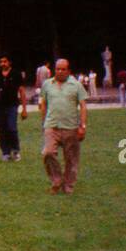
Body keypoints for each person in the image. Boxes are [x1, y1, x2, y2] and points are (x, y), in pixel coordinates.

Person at [39, 59, 88, 194]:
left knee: (71, 159)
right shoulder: (47, 84)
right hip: (51, 126)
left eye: (63, 69)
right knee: (47, 153)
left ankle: (68, 186)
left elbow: (83, 106)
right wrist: (44, 122)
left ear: (69, 71)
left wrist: (82, 126)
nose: (60, 72)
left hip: (70, 127)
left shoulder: (76, 85)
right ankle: (56, 180)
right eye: (57, 69)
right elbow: (43, 104)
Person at [0, 56, 28, 161]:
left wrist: (24, 109)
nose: (3, 64)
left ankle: (15, 150)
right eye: (1, 61)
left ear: (10, 62)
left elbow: (22, 91)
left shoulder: (16, 74)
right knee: (1, 130)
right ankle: (5, 152)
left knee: (12, 128)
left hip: (12, 106)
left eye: (5, 61)